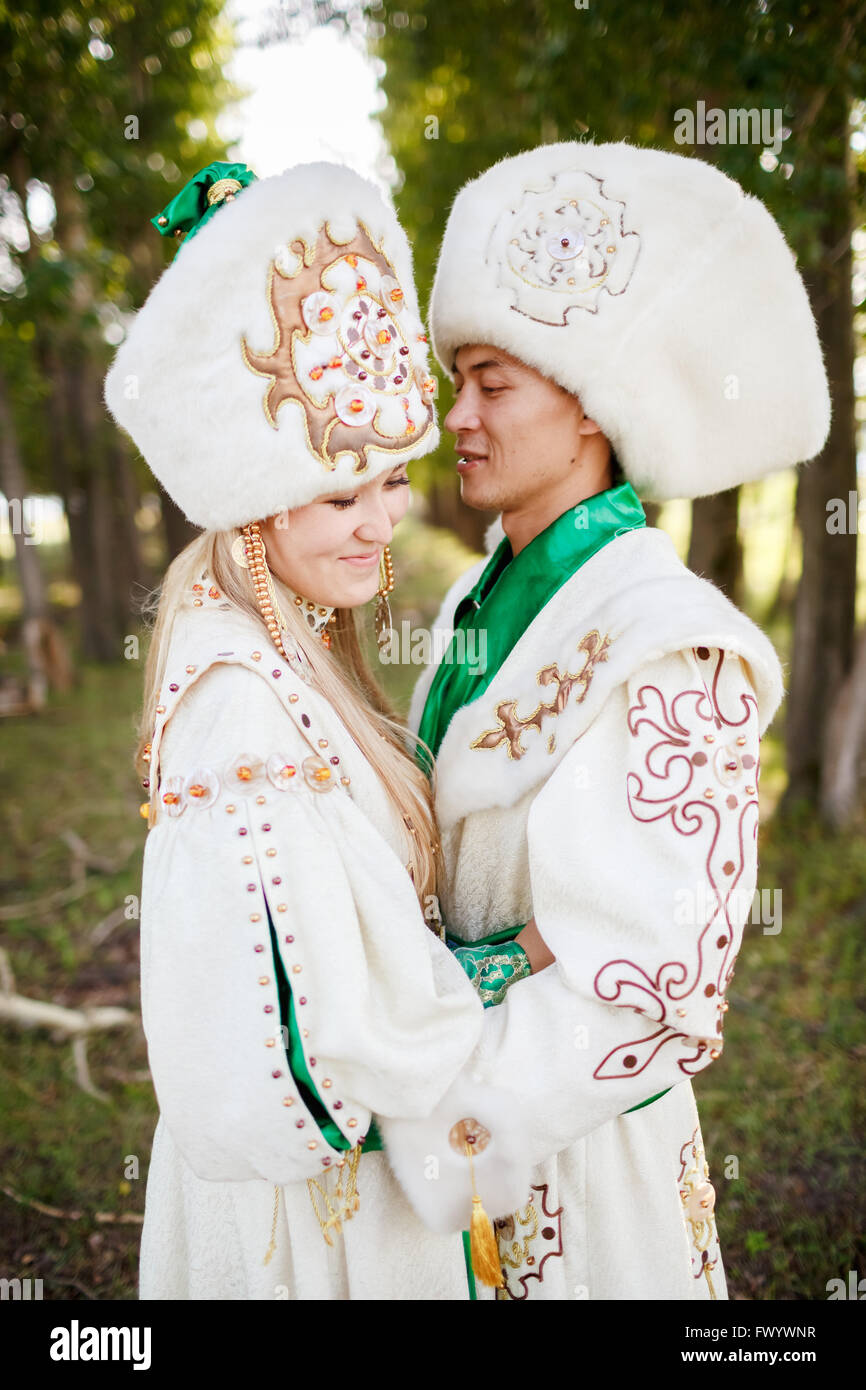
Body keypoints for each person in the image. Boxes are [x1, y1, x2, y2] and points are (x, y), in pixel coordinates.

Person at [376, 140, 832, 1300]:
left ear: (590, 408)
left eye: (492, 382)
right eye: (454, 381)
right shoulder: (488, 589)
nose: (456, 417)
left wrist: (446, 1122)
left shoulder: (668, 636)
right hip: (453, 1108)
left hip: (570, 1160)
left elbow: (659, 976)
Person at [103, 160, 530, 1300]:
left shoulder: (283, 637)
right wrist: (523, 964)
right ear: (255, 509)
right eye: (346, 498)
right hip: (311, 1225)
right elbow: (307, 1045)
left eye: (391, 483)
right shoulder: (239, 712)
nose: (385, 520)